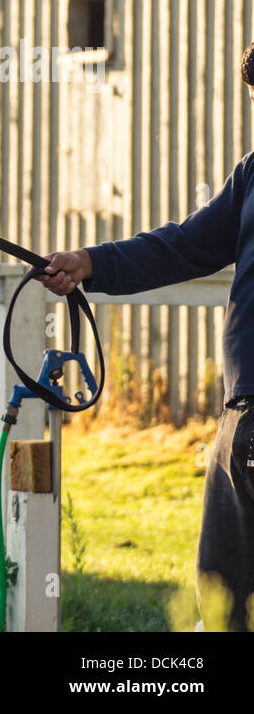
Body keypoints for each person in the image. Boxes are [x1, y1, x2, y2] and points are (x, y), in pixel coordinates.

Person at [41, 42, 254, 632]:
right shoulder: (253, 174)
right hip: (245, 416)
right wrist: (91, 262)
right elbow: (184, 246)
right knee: (221, 603)